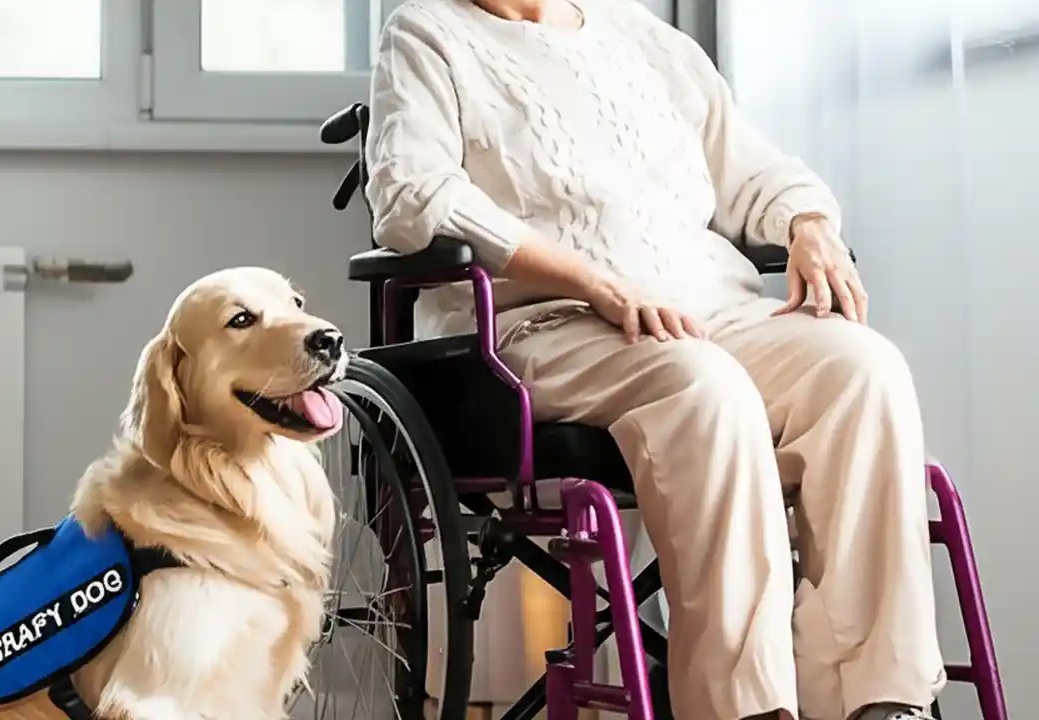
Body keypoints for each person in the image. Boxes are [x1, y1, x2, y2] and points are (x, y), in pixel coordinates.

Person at [363, 0, 946, 719]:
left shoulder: (639, 34)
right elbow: (411, 194)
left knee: (861, 370)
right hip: (546, 324)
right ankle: (746, 706)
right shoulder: (426, 33)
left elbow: (754, 171)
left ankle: (876, 698)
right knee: (707, 389)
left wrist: (809, 223)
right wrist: (588, 279)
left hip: (707, 309)